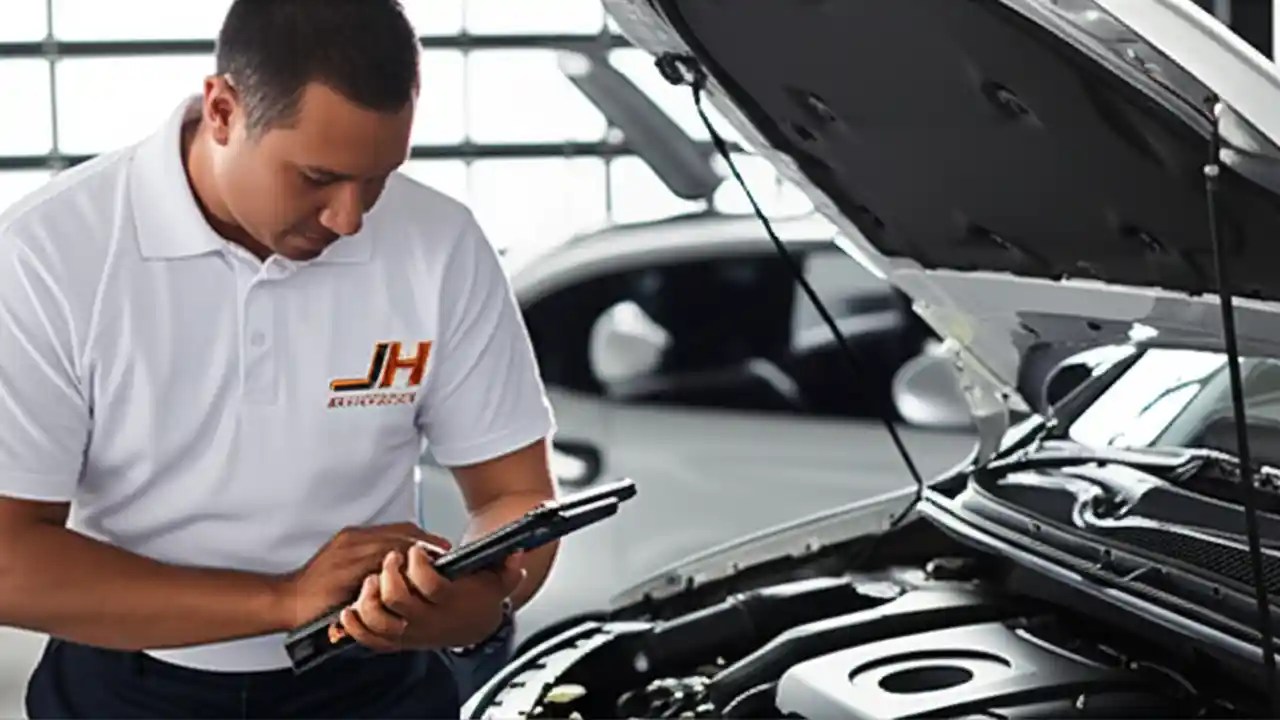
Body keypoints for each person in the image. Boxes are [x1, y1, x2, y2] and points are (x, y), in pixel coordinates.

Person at [0, 1, 560, 717]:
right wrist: (284, 599)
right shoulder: (48, 254)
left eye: (380, 177)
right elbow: (10, 561)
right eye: (317, 177)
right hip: (128, 689)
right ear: (224, 109)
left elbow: (517, 495)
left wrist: (483, 597)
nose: (350, 218)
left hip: (377, 685)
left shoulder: (440, 241)